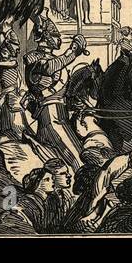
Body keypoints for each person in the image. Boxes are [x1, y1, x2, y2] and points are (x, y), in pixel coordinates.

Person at [24, 15, 89, 170]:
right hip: (48, 115)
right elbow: (49, 67)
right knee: (78, 162)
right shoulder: (34, 58)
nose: (58, 38)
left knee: (84, 153)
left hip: (61, 114)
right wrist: (73, 50)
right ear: (46, 36)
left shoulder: (55, 59)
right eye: (55, 35)